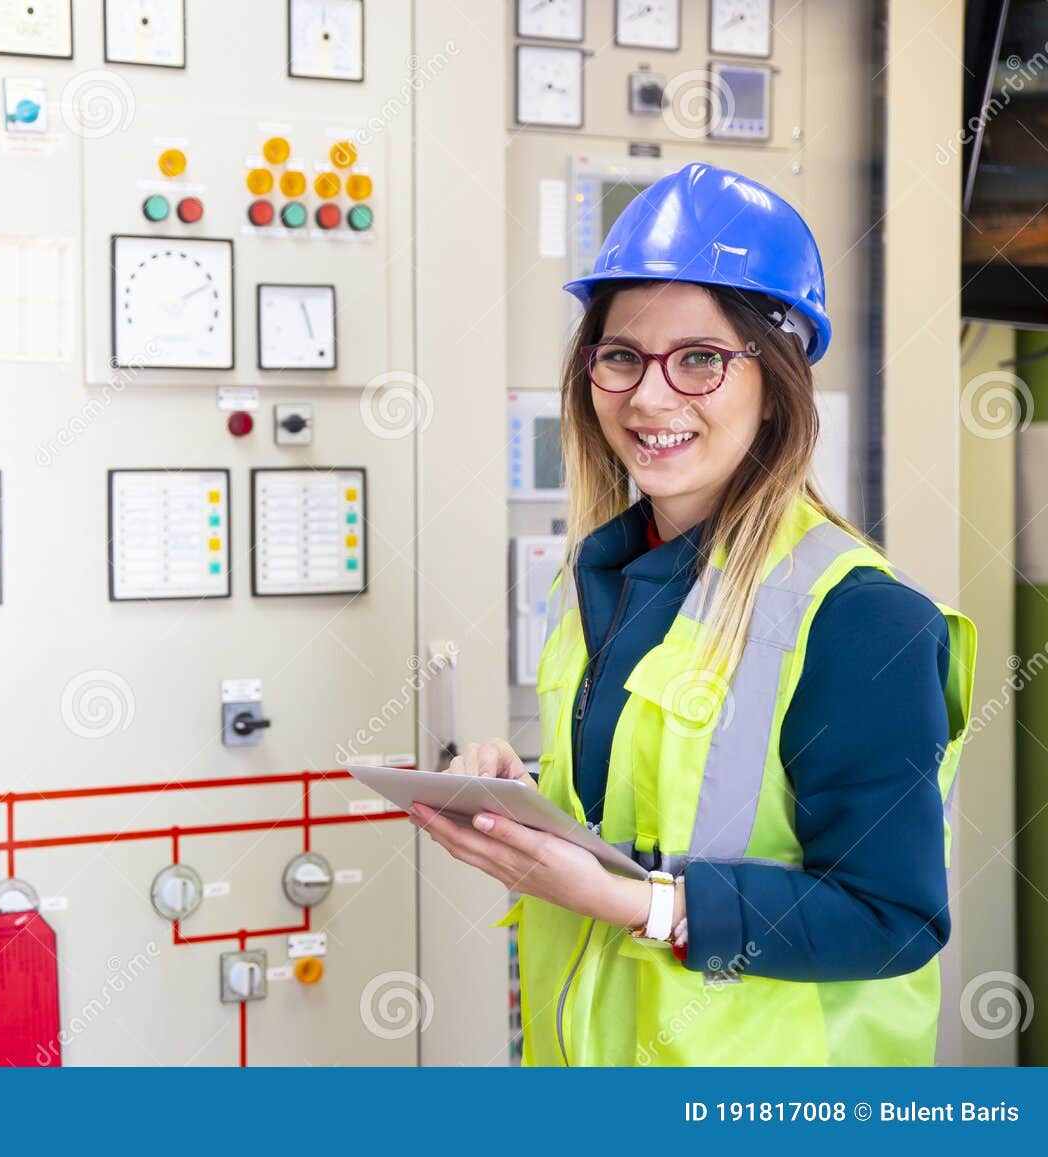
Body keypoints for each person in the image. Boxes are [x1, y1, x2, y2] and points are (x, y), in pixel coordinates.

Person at [411, 163, 977, 1066]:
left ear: (777, 379)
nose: (649, 396)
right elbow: (660, 801)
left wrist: (641, 904)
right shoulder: (609, 574)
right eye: (621, 354)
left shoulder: (860, 617)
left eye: (701, 359)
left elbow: (893, 917)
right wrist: (523, 789)